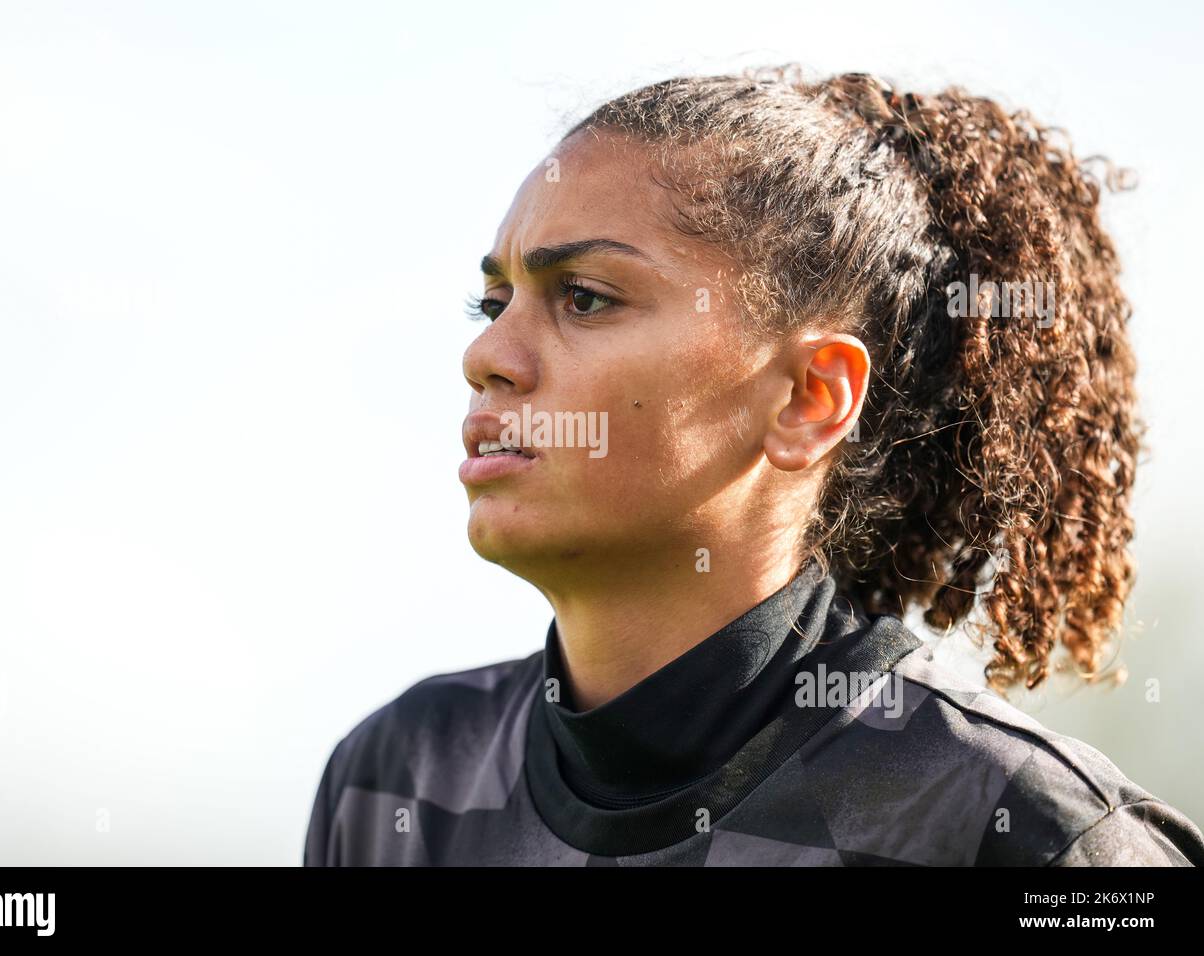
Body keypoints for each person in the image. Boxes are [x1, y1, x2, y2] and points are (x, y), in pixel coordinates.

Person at [304, 66, 1204, 866]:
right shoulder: (398, 784)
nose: (487, 354)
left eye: (584, 297)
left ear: (809, 399)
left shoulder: (1033, 835)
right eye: (492, 300)